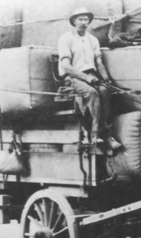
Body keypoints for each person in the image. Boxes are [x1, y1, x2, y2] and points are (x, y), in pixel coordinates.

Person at [58, 7, 121, 150]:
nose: (83, 22)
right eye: (80, 19)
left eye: (86, 19)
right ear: (74, 21)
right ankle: (96, 134)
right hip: (73, 77)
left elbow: (99, 63)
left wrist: (106, 78)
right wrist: (86, 78)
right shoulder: (66, 39)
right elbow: (66, 66)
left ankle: (101, 133)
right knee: (91, 93)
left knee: (104, 91)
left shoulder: (93, 40)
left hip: (91, 75)